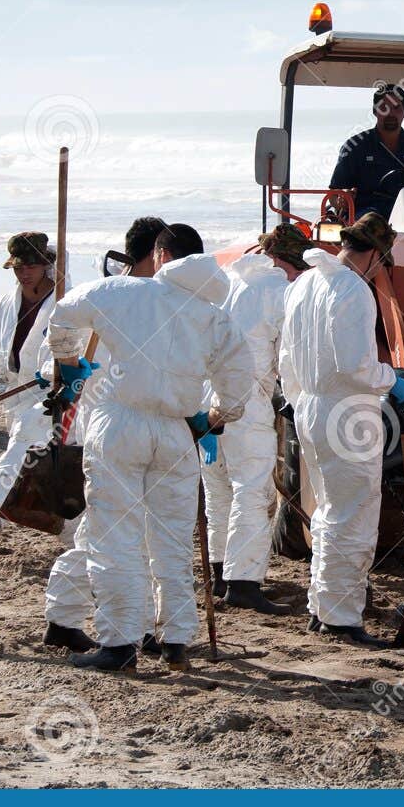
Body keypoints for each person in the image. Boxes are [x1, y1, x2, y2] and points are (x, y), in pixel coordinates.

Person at [46, 223, 252, 673]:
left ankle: (119, 643)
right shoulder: (215, 315)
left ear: (161, 256)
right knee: (173, 540)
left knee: (113, 536)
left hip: (120, 422)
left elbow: (62, 316)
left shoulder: (124, 293)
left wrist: (69, 361)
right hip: (177, 434)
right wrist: (211, 417)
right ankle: (176, 639)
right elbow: (237, 393)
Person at [281, 212, 404, 646]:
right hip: (345, 411)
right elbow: (354, 365)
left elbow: (286, 358)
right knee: (352, 513)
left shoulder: (304, 284)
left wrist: (300, 401)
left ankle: (322, 605)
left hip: (310, 408)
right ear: (375, 253)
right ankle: (341, 617)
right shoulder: (353, 289)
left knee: (324, 511)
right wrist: (393, 379)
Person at [41, 216, 166, 656]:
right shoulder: (109, 297)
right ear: (156, 253)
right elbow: (55, 348)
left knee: (117, 531)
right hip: (103, 430)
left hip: (131, 430)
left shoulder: (150, 299)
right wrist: (68, 371)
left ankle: (119, 621)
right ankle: (79, 619)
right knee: (108, 532)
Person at [203, 223, 314, 614]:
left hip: (207, 403)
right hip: (246, 402)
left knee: (219, 492)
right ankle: (244, 583)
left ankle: (219, 575)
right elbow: (288, 358)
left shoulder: (229, 283)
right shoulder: (280, 292)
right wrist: (297, 400)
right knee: (254, 492)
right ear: (287, 262)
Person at [0, 232, 62, 543]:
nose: (24, 273)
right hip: (18, 395)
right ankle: (52, 524)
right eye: (18, 268)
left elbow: (81, 345)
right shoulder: (5, 304)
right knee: (32, 460)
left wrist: (54, 369)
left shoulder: (66, 301)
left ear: (46, 265)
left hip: (57, 397)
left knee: (22, 447)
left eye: (31, 266)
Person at [327, 84, 404, 219]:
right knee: (372, 220)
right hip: (365, 217)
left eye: (396, 108)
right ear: (375, 112)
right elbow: (334, 195)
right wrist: (341, 198)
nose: (390, 113)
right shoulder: (355, 146)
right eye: (383, 108)